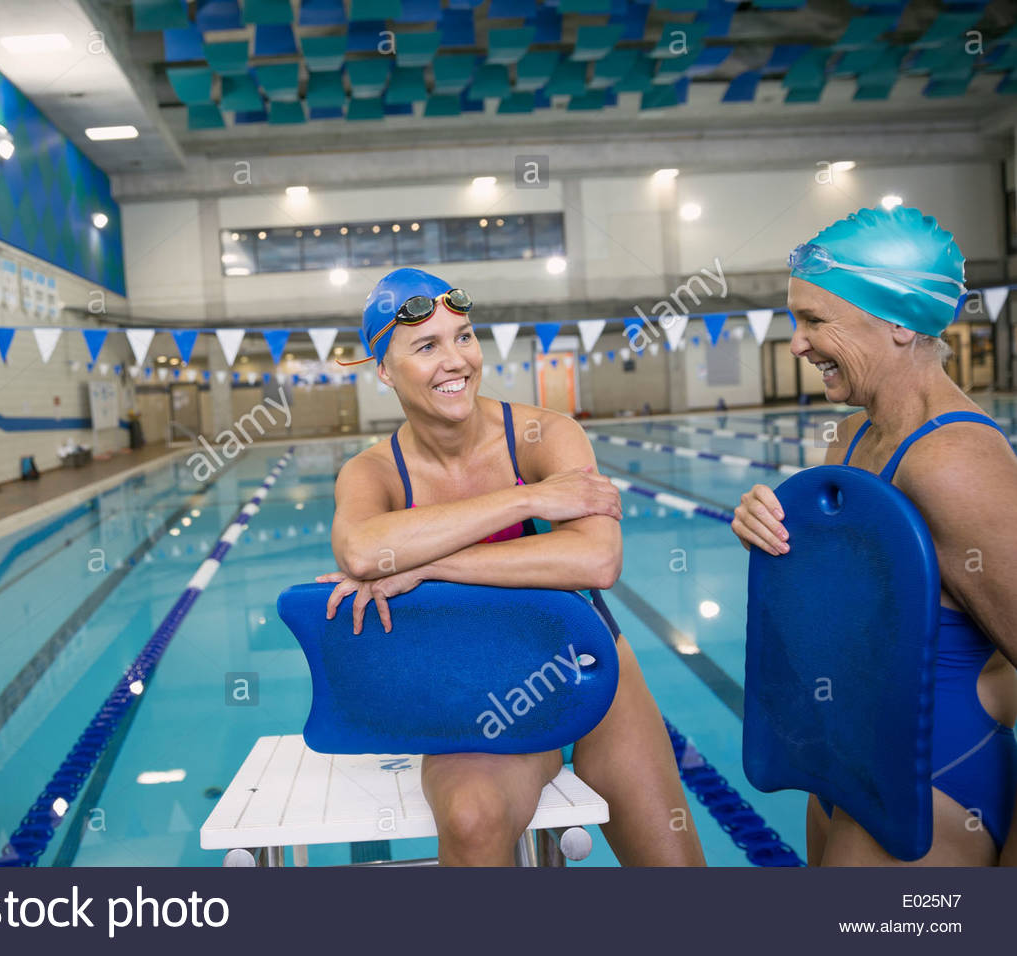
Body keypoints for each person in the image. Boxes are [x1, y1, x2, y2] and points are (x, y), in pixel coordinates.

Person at [317, 267, 705, 866]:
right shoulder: (374, 471)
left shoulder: (543, 434)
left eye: (464, 337)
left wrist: (428, 565)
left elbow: (597, 560)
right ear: (386, 371)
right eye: (426, 346)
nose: (457, 361)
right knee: (472, 821)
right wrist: (528, 499)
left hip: (587, 658)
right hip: (475, 685)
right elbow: (364, 551)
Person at [731, 206, 1017, 866]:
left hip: (935, 778)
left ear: (897, 321)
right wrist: (770, 535)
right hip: (847, 767)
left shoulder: (953, 464)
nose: (796, 342)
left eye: (814, 320)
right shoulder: (851, 435)